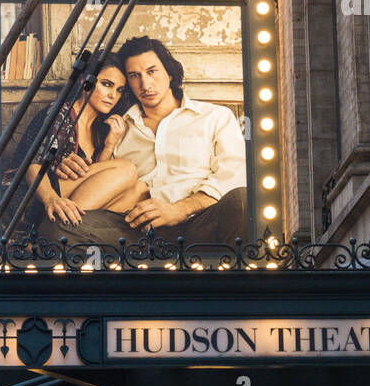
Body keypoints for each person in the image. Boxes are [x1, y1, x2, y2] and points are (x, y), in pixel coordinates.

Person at [39, 36, 248, 249]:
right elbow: (101, 185)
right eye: (134, 76)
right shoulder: (118, 126)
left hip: (198, 221)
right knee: (59, 229)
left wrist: (179, 210)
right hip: (133, 230)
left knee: (243, 201)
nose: (145, 84)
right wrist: (65, 164)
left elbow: (234, 176)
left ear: (169, 73)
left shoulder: (215, 117)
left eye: (151, 71)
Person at [6, 55, 142, 231]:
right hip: (32, 200)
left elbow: (100, 185)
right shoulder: (60, 114)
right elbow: (32, 166)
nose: (112, 95)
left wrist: (109, 145)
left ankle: (70, 230)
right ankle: (52, 229)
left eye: (119, 90)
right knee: (127, 169)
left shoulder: (100, 129)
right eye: (106, 84)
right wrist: (51, 199)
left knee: (139, 189)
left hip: (70, 202)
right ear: (85, 82)